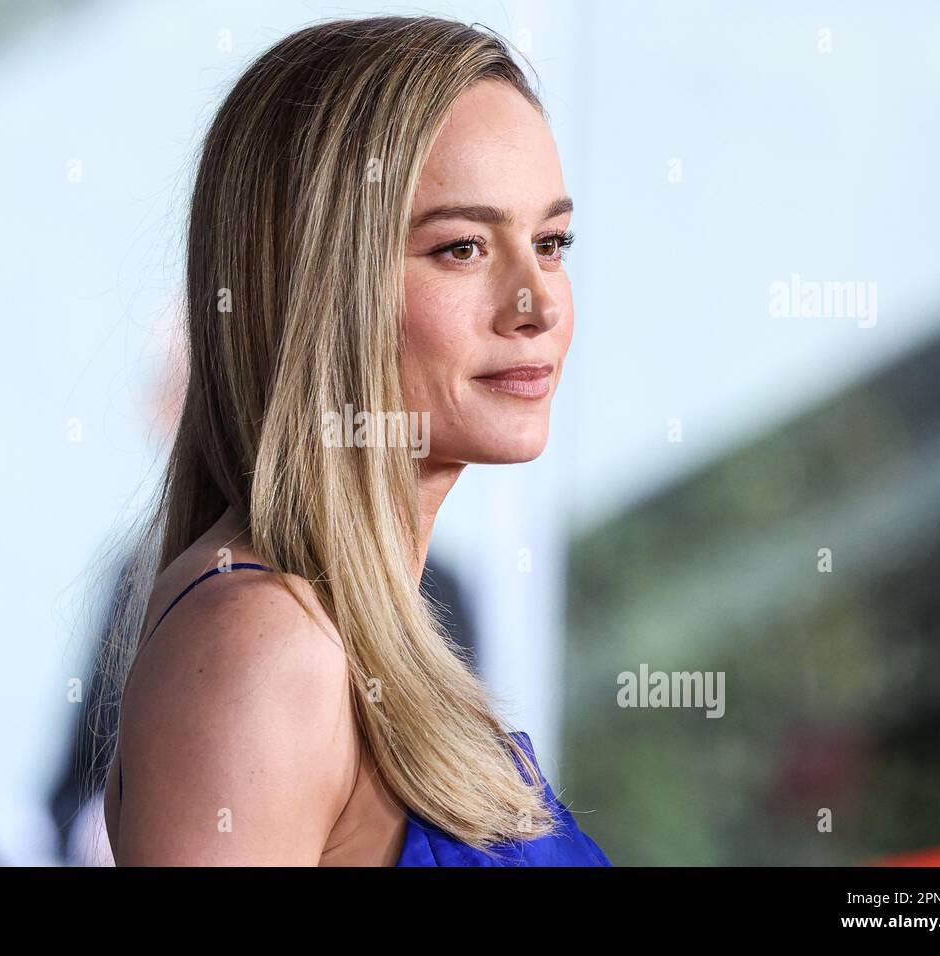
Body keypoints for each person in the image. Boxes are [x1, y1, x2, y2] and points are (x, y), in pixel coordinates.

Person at [95, 15, 610, 866]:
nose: (539, 304)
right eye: (463, 248)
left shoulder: (358, 632)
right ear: (318, 283)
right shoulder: (265, 650)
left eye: (551, 243)